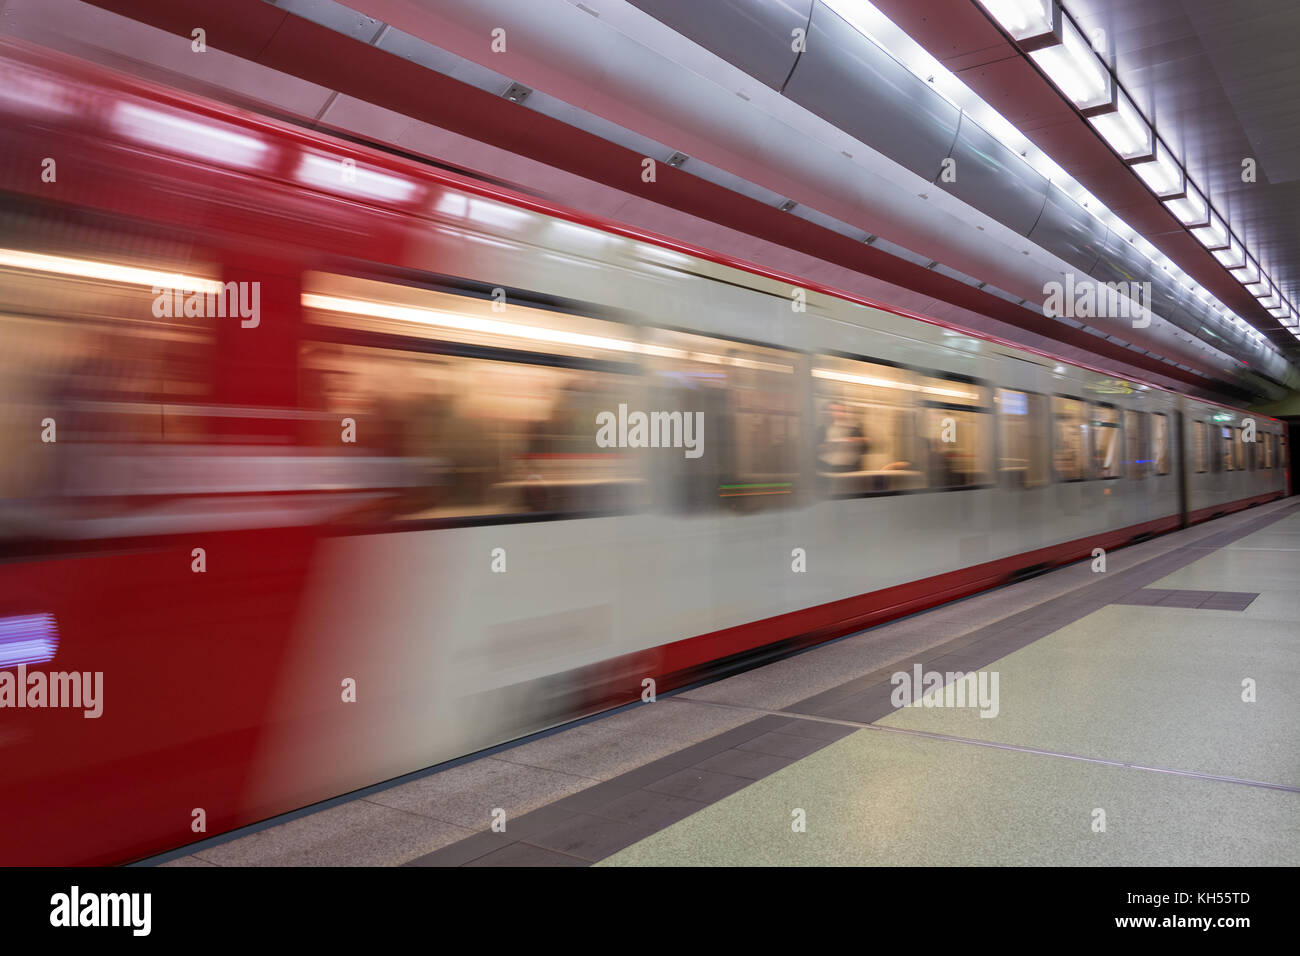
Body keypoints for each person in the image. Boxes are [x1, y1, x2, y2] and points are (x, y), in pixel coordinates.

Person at [816, 401, 868, 473]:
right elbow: (815, 449)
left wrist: (855, 441)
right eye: (833, 410)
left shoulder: (855, 427)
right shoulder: (822, 429)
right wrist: (825, 447)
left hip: (850, 468)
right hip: (828, 468)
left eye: (841, 411)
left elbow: (866, 447)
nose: (838, 413)